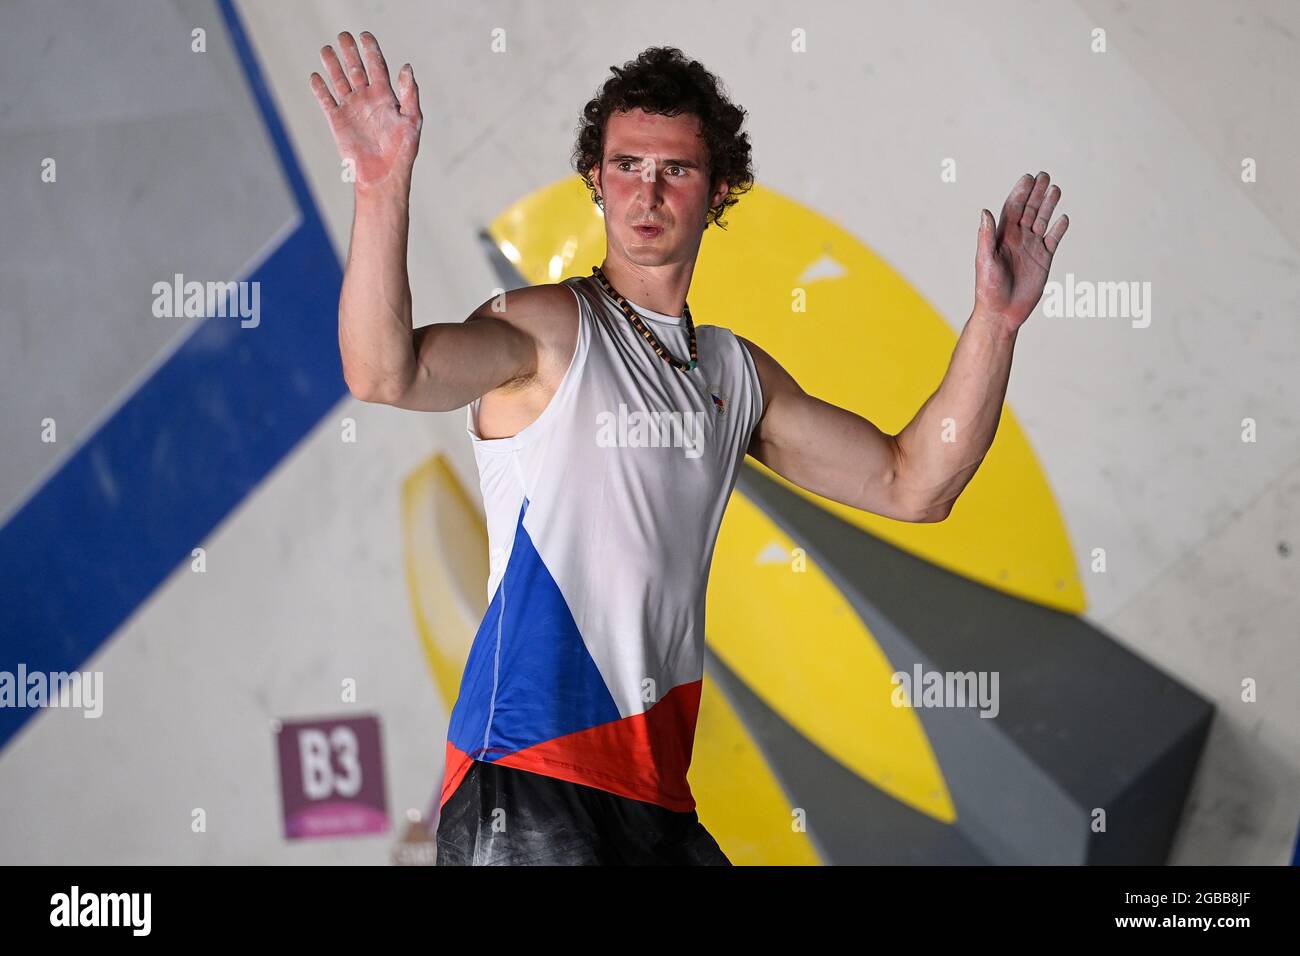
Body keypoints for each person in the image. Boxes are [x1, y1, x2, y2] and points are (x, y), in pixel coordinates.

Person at [309, 32, 1069, 866]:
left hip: (656, 803)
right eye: (626, 165)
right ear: (596, 181)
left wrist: (994, 326)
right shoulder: (546, 329)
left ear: (719, 192)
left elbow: (915, 482)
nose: (647, 190)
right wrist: (381, 190)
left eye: (675, 170)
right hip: (529, 772)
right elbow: (384, 373)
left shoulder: (734, 376)